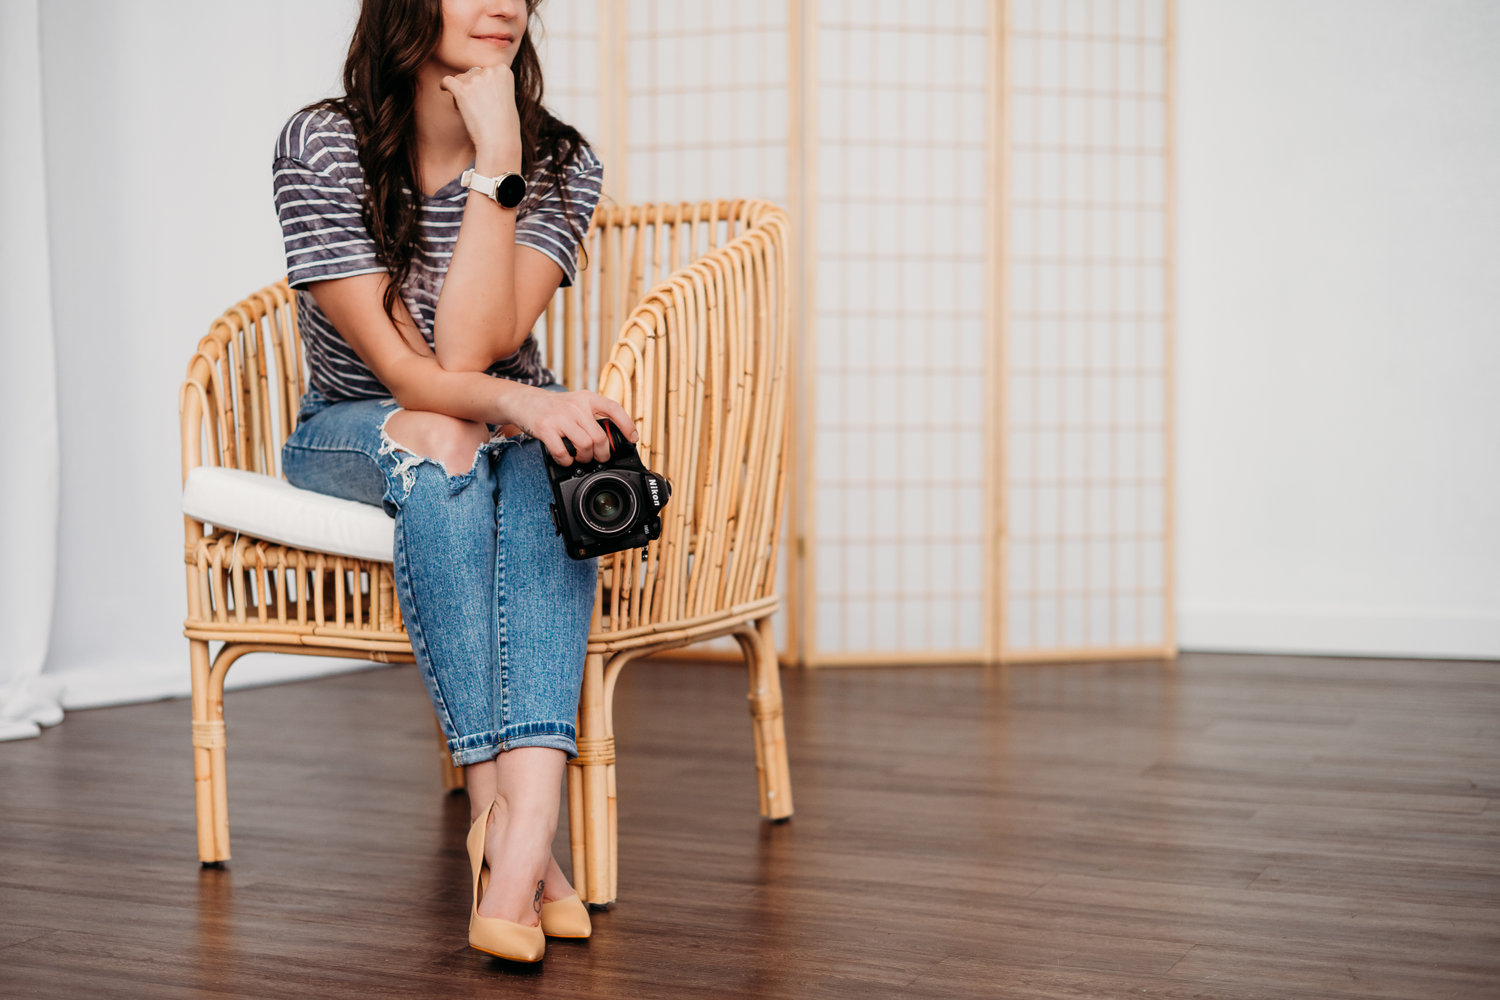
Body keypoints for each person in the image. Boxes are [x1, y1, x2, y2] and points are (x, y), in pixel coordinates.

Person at [270, 0, 634, 963]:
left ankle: (511, 851)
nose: (505, 3)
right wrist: (494, 158)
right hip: (356, 426)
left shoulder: (563, 161)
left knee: (541, 479)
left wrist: (508, 151)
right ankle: (518, 839)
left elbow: (480, 352)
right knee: (446, 435)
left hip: (493, 433)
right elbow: (423, 373)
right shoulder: (325, 145)